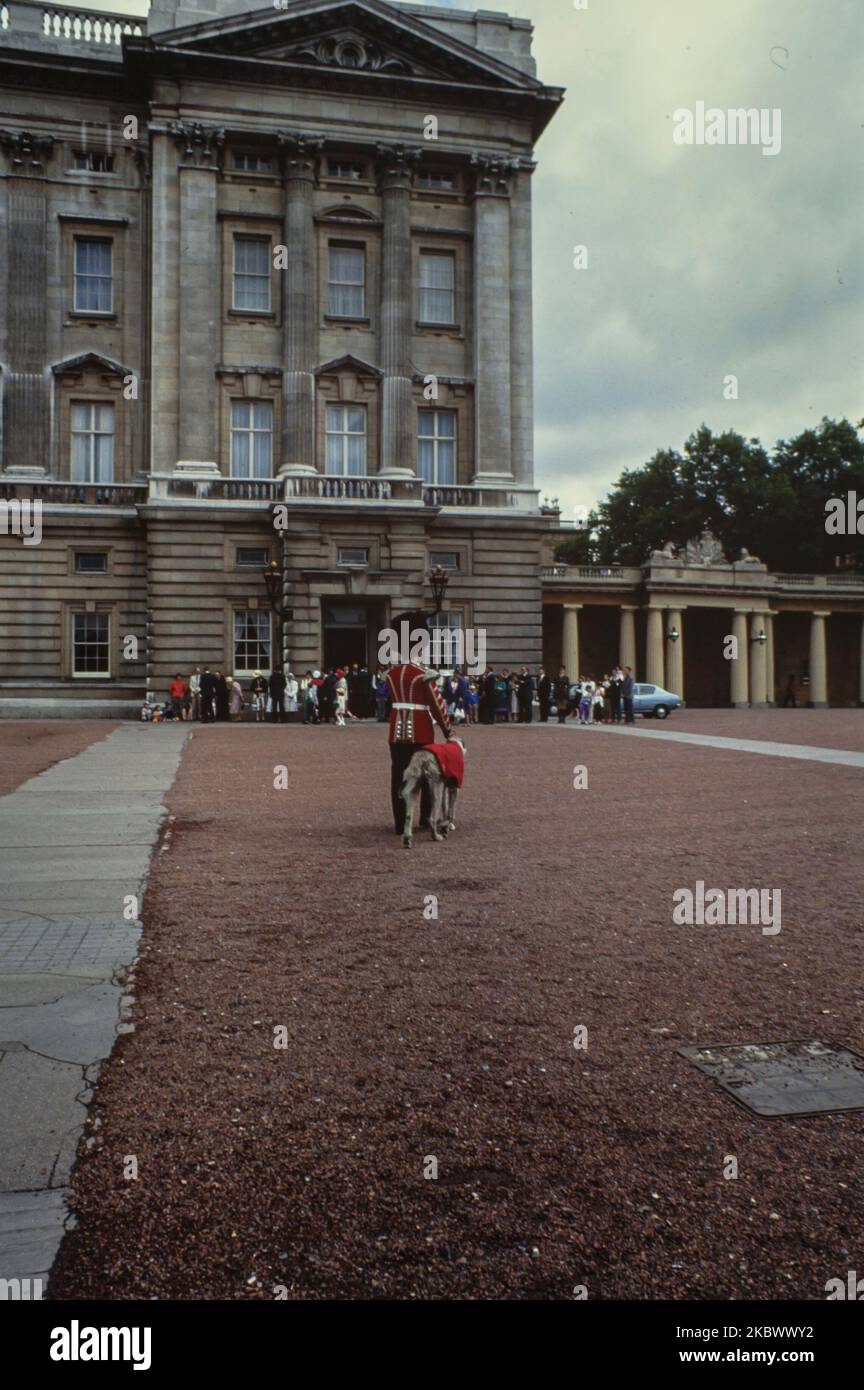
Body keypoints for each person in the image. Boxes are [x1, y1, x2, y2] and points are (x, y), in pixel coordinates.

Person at [386, 609, 452, 834]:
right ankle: (425, 817)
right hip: (422, 731)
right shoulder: (424, 674)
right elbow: (437, 705)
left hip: (396, 731)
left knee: (399, 777)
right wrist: (448, 730)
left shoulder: (391, 674)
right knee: (426, 775)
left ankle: (400, 822)